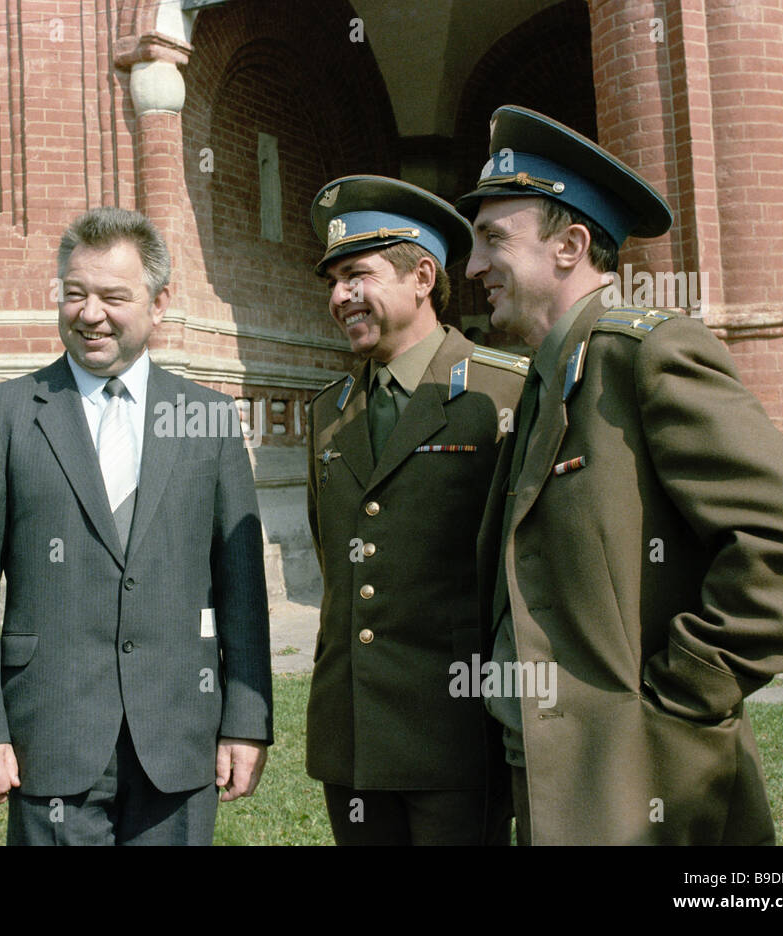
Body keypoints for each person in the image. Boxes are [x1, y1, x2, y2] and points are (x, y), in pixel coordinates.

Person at [457, 105, 783, 844]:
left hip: (643, 787)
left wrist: (680, 699)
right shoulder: (545, 379)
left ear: (570, 245)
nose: (473, 266)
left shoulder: (644, 356)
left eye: (491, 240)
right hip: (551, 782)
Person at [0, 206, 272, 846]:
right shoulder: (4, 415)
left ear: (159, 302)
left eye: (113, 297)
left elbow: (242, 587)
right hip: (51, 738)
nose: (90, 313)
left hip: (179, 740)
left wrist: (246, 721)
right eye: (75, 294)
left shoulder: (207, 417)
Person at [304, 175, 527, 845]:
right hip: (352, 740)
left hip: (457, 738)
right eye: (334, 280)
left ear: (423, 276)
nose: (341, 296)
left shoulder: (503, 391)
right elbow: (336, 564)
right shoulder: (328, 412)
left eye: (358, 275)